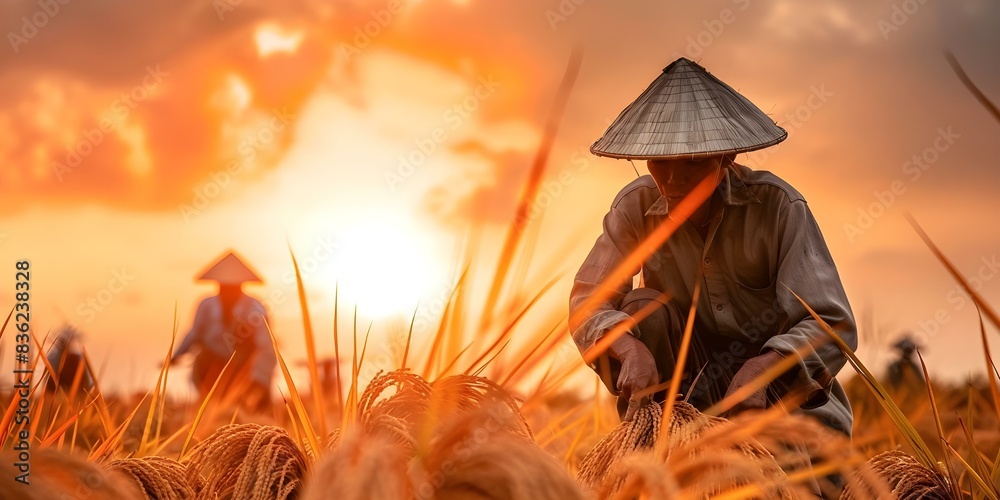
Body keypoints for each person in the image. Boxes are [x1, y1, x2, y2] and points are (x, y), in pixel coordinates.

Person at [569, 57, 858, 439]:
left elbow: (831, 324)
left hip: (779, 401)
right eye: (660, 162)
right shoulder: (635, 207)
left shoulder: (779, 207)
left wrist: (761, 372)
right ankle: (655, 440)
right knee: (642, 310)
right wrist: (627, 349)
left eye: (691, 161)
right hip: (687, 387)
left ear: (726, 156)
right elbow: (588, 303)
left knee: (785, 465)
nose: (672, 178)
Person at [169, 251, 277, 412]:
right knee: (211, 405)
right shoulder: (206, 305)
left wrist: (259, 377)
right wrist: (176, 356)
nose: (226, 292)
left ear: (240, 287)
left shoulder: (255, 307)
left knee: (245, 407)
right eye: (223, 287)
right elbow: (194, 334)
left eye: (231, 288)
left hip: (243, 368)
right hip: (211, 366)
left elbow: (266, 345)